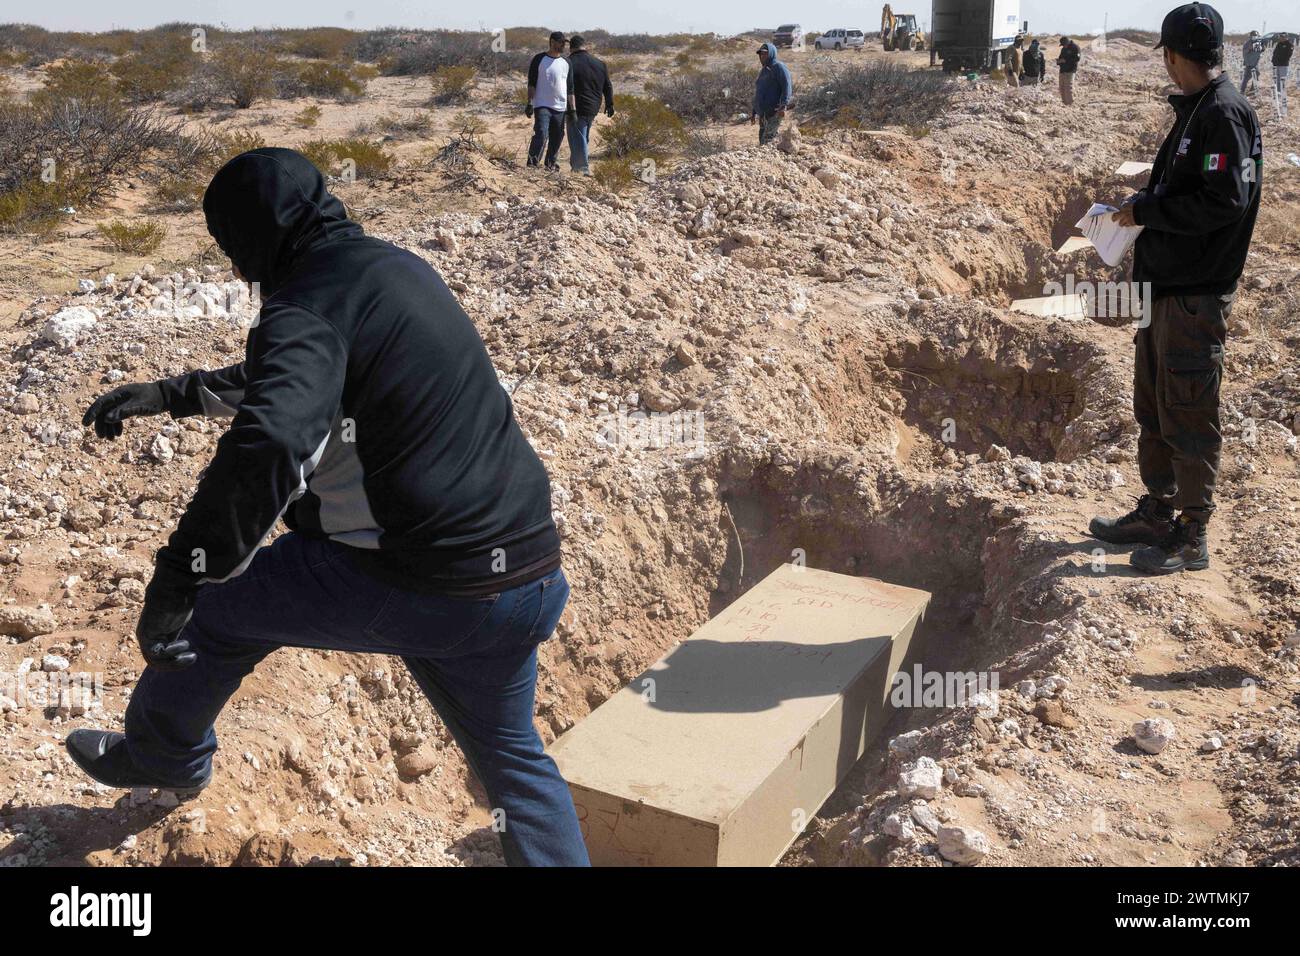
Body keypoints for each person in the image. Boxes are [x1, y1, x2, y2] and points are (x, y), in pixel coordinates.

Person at [68, 148, 590, 867]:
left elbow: (279, 431)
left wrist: (181, 576)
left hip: (424, 582)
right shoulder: (390, 269)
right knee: (514, 764)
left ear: (257, 234)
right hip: (527, 576)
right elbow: (301, 378)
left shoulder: (305, 305)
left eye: (231, 245)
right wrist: (173, 394)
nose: (234, 268)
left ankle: (165, 757)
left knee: (214, 612)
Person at [1091, 4, 1262, 575]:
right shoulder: (1198, 112)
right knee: (1156, 404)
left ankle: (1191, 532)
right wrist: (1147, 202)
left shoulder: (1224, 115)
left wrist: (1149, 209)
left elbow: (1223, 202)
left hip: (1194, 292)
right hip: (1165, 289)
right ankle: (1160, 510)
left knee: (1188, 407)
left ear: (1173, 56)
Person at [565, 35, 614, 176]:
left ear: (571, 47)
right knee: (582, 135)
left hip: (575, 106)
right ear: (584, 45)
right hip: (593, 107)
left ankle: (582, 168)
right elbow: (608, 86)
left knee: (578, 135)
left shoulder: (568, 63)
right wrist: (609, 103)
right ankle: (576, 166)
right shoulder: (599, 63)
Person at [526, 31, 575, 170]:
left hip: (560, 106)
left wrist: (573, 109)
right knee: (541, 133)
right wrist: (529, 103)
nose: (563, 45)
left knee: (558, 136)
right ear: (552, 42)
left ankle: (550, 164)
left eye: (564, 43)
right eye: (561, 43)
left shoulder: (566, 62)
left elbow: (570, 89)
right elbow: (532, 83)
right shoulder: (539, 59)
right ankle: (532, 163)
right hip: (542, 104)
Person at [751, 42, 793, 145]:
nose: (762, 56)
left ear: (771, 54)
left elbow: (786, 86)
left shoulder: (779, 67)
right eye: (761, 54)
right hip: (763, 114)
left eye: (765, 53)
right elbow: (759, 92)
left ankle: (773, 159)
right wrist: (754, 112)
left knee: (768, 140)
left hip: (774, 111)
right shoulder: (764, 70)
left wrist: (783, 106)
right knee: (762, 138)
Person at [1273, 32, 1293, 116]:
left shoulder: (1289, 45)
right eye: (1280, 37)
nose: (1281, 38)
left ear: (1286, 37)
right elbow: (1275, 53)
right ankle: (1278, 92)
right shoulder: (1279, 44)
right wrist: (1273, 60)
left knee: (1283, 79)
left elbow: (1288, 55)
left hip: (1284, 64)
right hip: (1277, 64)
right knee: (1277, 79)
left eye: (1282, 37)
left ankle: (1283, 92)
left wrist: (1280, 60)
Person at [1057, 35, 1081, 104]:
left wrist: (1066, 60)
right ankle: (1065, 103)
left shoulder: (1075, 47)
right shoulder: (1063, 49)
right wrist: (1059, 61)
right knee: (1061, 88)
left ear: (1067, 42)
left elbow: (1077, 58)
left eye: (1064, 45)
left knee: (1068, 88)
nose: (1063, 46)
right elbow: (1060, 57)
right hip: (1062, 70)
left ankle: (1070, 103)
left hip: (1070, 70)